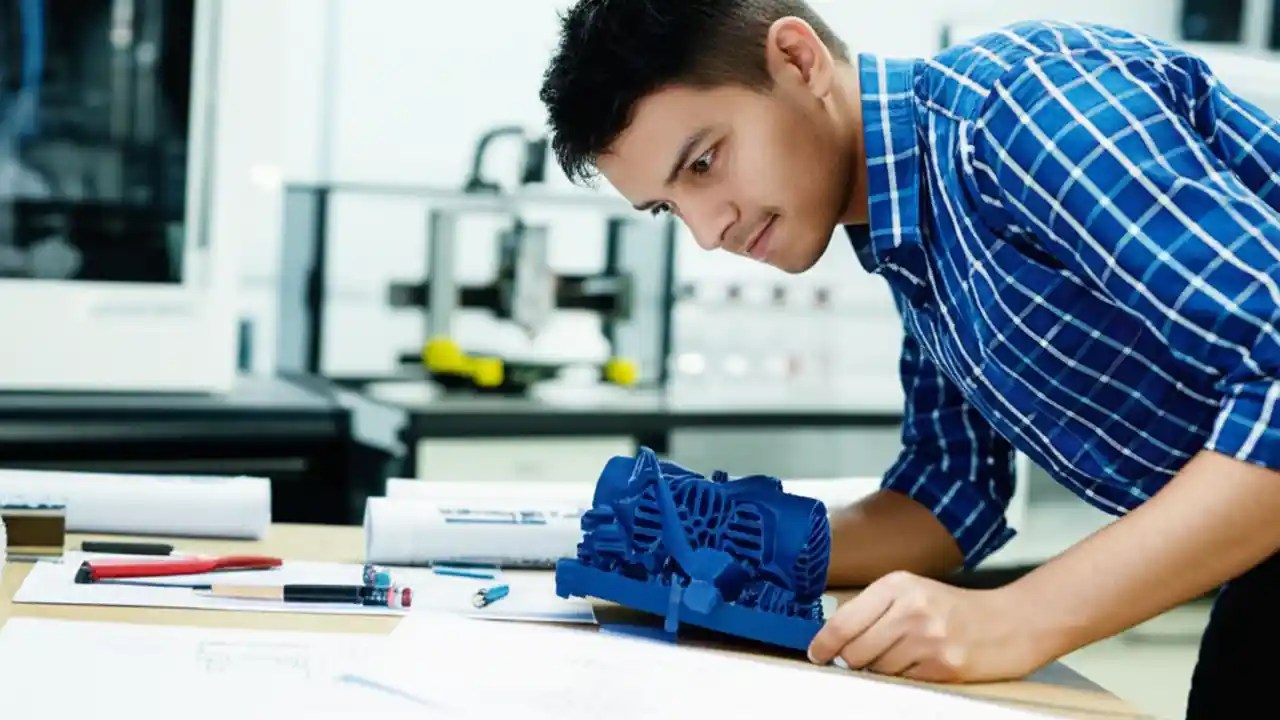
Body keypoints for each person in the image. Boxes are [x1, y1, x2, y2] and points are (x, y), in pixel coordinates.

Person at [538, 1, 1280, 717]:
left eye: (704, 163)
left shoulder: (1017, 113)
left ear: (797, 60)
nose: (707, 231)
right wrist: (740, 539)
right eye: (669, 208)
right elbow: (950, 495)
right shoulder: (909, 229)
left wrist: (1017, 617)